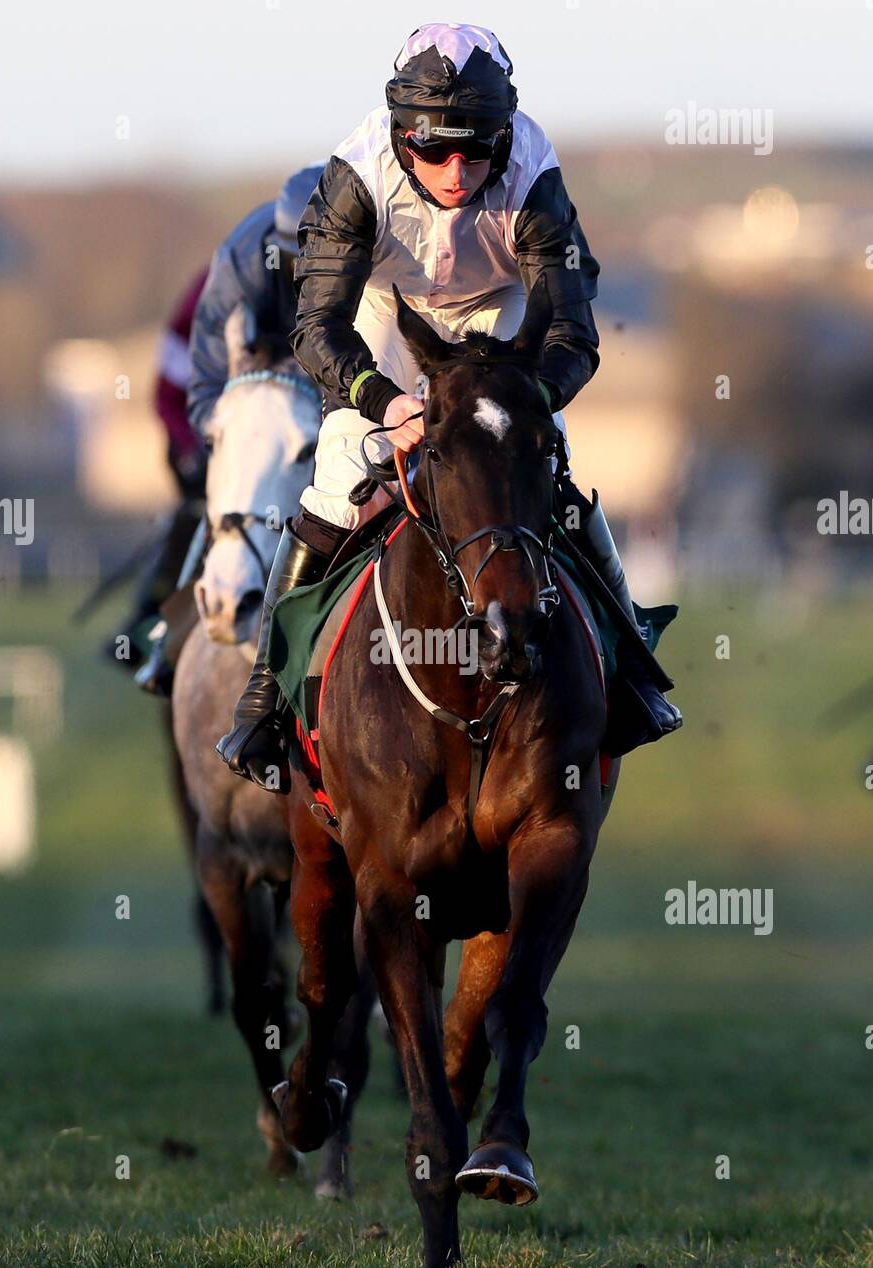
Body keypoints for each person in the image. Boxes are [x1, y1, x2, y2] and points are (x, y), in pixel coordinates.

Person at [216, 22, 681, 787]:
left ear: (505, 133)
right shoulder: (356, 171)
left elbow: (571, 327)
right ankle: (266, 695)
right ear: (401, 136)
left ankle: (630, 664)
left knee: (549, 462)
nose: (457, 171)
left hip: (495, 318)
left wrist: (527, 399)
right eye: (434, 151)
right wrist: (380, 399)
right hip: (387, 316)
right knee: (336, 473)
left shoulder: (534, 168)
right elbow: (317, 325)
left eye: (475, 148)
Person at [131, 162, 325, 693]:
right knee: (216, 491)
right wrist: (215, 441)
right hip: (245, 394)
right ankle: (161, 637)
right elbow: (205, 387)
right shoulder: (240, 264)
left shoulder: (375, 256)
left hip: (331, 391)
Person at [109, 268, 208, 682]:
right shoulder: (211, 286)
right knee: (194, 516)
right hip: (197, 440)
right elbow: (166, 395)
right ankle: (148, 619)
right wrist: (192, 447)